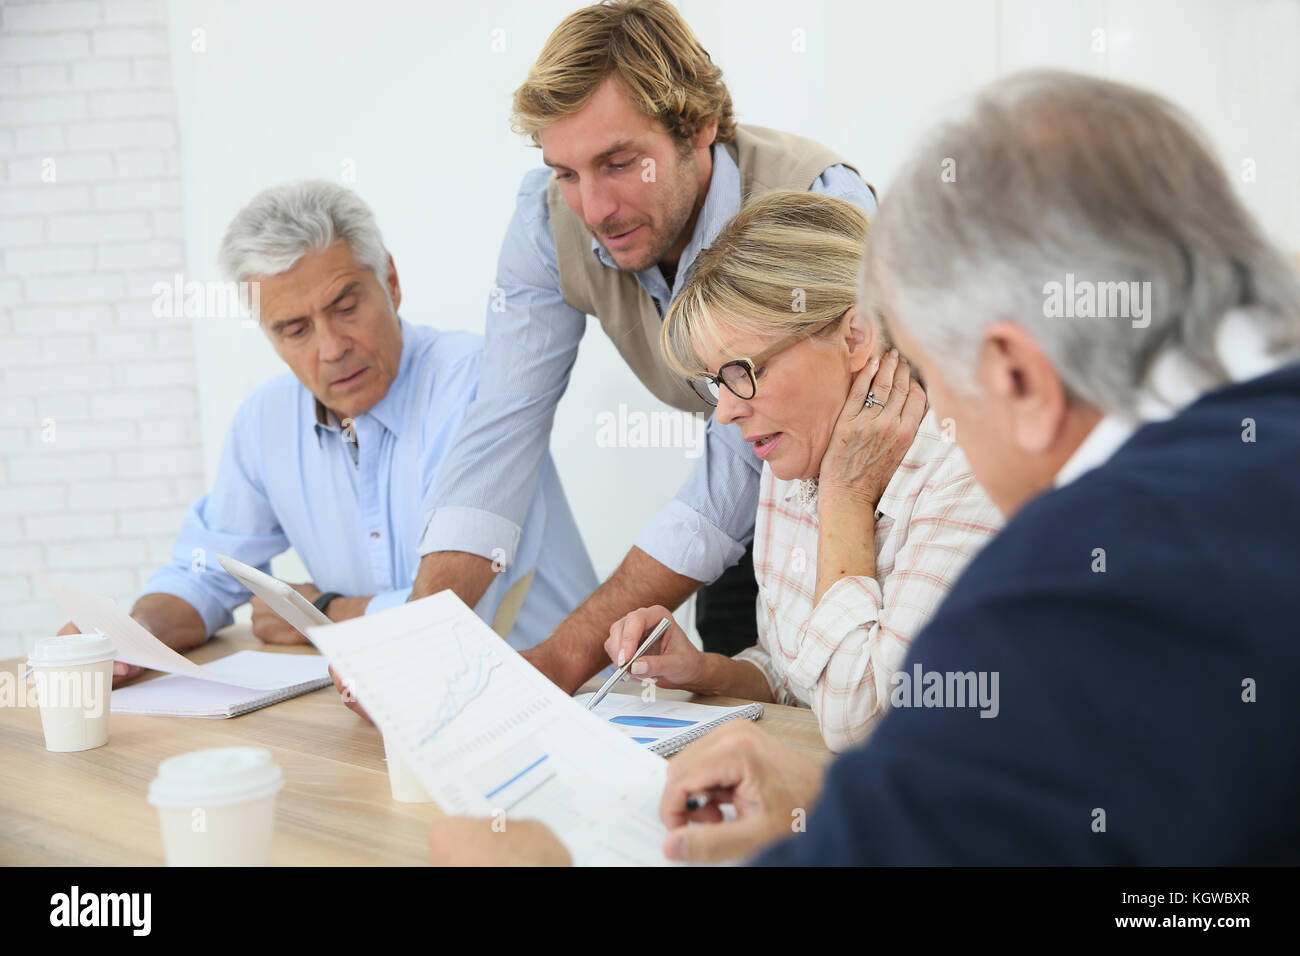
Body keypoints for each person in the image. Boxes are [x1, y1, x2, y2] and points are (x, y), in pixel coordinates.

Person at [428, 69, 1300, 865]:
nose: (933, 413)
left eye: (935, 375)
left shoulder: (1065, 582)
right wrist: (799, 762)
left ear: (1019, 379)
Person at [402, 0, 877, 675]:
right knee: (740, 700)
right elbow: (502, 429)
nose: (593, 210)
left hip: (879, 509)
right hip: (760, 487)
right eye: (565, 172)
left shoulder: (816, 200)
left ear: (700, 125)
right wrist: (418, 637)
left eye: (619, 163)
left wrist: (566, 658)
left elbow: (741, 465)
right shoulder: (546, 225)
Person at [60, 181, 597, 687]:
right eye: (294, 329)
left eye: (346, 307)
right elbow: (204, 574)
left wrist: (322, 612)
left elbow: (452, 611)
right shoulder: (264, 421)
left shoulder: (476, 382)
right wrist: (130, 637)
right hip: (390, 699)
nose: (331, 347)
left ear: (390, 280)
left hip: (555, 693)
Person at [601, 191, 1001, 752]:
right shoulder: (793, 456)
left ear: (855, 338)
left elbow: (858, 722)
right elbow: (795, 674)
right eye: (718, 380)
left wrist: (846, 495)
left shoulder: (969, 477)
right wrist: (706, 672)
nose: (726, 409)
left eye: (744, 371)